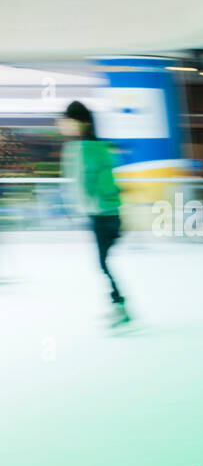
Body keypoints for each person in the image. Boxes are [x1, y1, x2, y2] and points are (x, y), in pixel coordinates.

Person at [58, 101, 127, 327]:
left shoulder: (82, 149)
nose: (64, 126)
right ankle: (118, 305)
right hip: (109, 214)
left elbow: (83, 185)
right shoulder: (98, 148)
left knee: (103, 264)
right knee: (104, 263)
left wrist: (79, 207)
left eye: (68, 122)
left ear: (82, 123)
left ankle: (120, 306)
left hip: (101, 215)